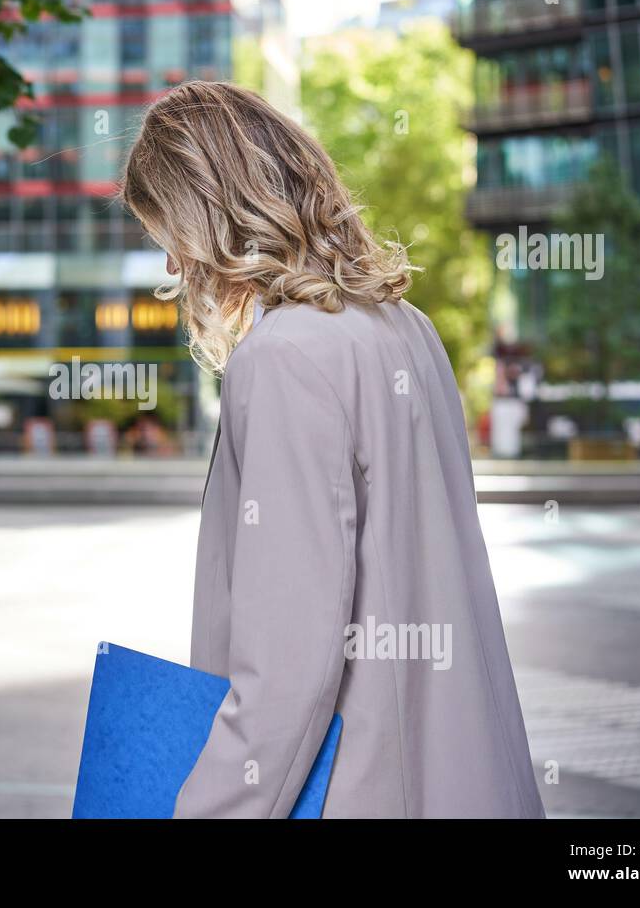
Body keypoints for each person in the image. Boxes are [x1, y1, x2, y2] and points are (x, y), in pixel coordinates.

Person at [119, 80, 545, 818]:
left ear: (212, 214)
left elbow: (289, 664)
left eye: (171, 238)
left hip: (357, 786)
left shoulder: (283, 357)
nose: (174, 269)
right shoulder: (404, 325)